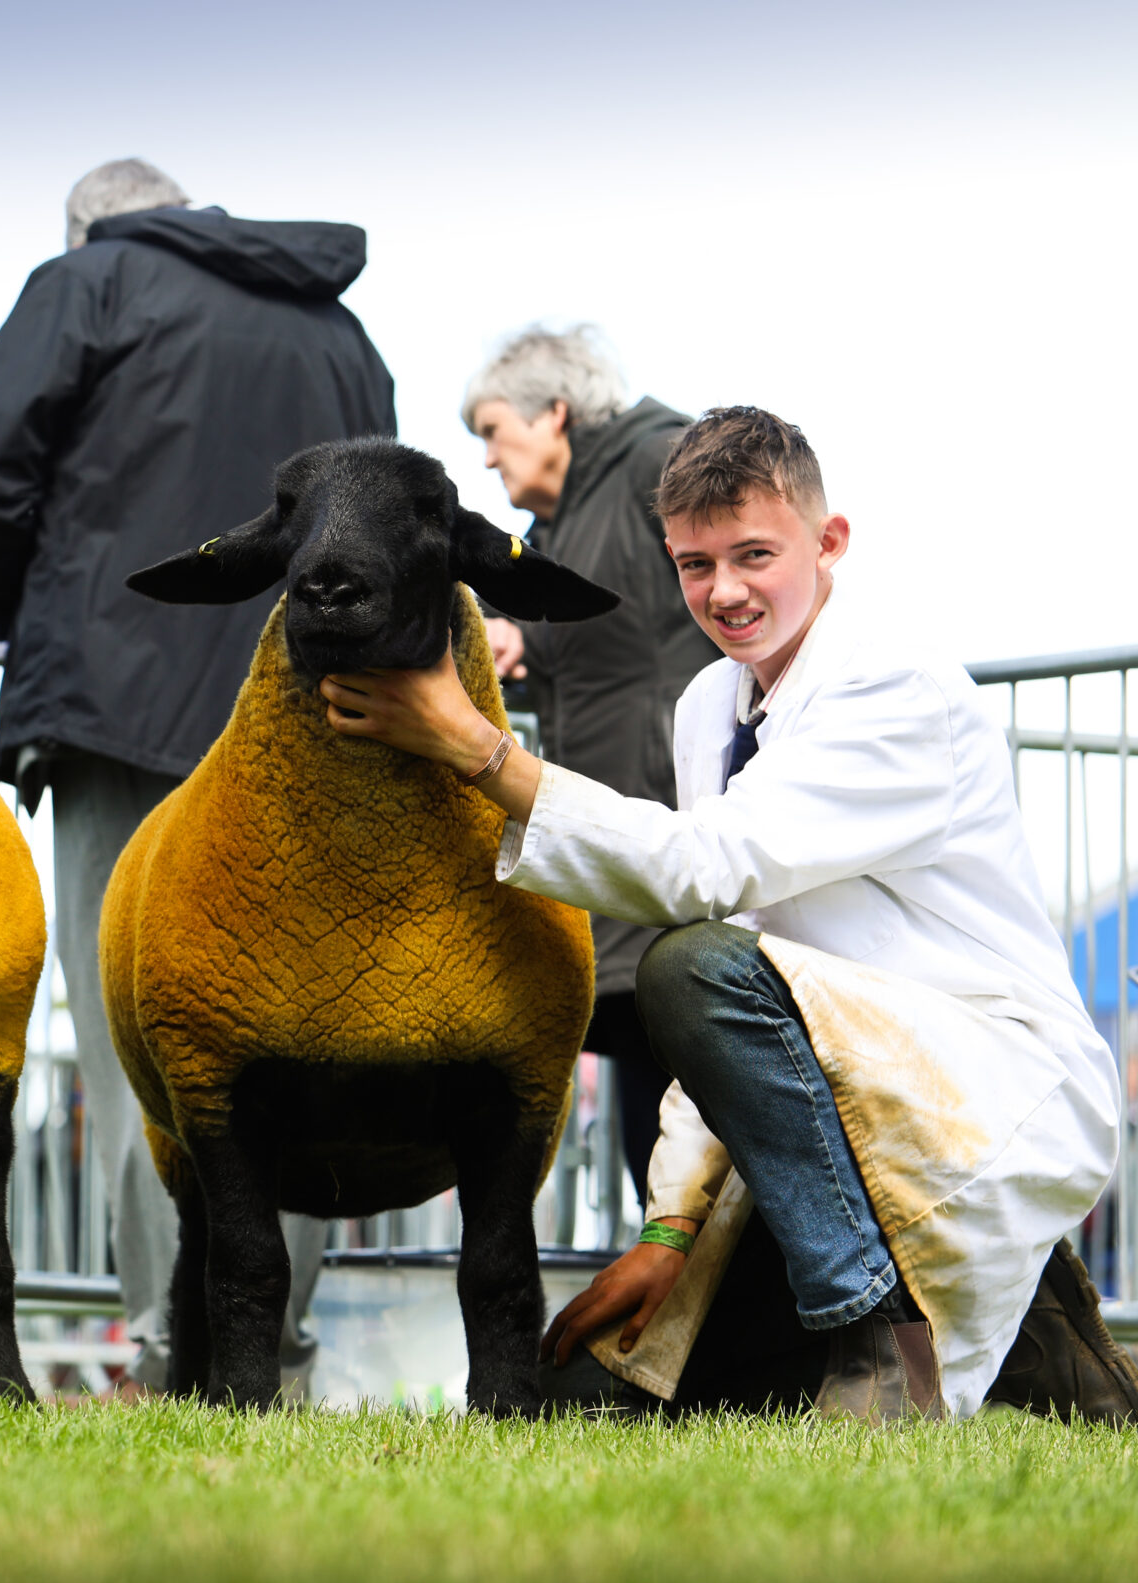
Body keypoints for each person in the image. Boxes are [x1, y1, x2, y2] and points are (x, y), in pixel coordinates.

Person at [318, 406, 1131, 1421]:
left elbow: (710, 884)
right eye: (694, 565)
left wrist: (478, 749)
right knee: (592, 1393)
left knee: (684, 966)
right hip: (846, 1104)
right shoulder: (709, 706)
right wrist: (667, 1231)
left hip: (977, 1089)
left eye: (754, 554)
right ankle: (1042, 1352)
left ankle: (879, 1337)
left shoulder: (894, 684)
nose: (726, 591)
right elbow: (753, 962)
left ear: (829, 543)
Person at [0, 157, 396, 1391]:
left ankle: (165, 1343)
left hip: (116, 709)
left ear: (86, 226)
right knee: (292, 1041)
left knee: (147, 1036)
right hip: (306, 727)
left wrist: (36, 613)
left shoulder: (87, 283)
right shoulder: (338, 327)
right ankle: (272, 1355)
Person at [463, 326, 720, 1205]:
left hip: (670, 810)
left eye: (495, 429)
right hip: (610, 823)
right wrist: (521, 637)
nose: (489, 456)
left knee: (675, 1051)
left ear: (556, 413)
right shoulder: (557, 523)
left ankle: (697, 1305)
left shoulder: (661, 459)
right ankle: (665, 1301)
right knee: (638, 1058)